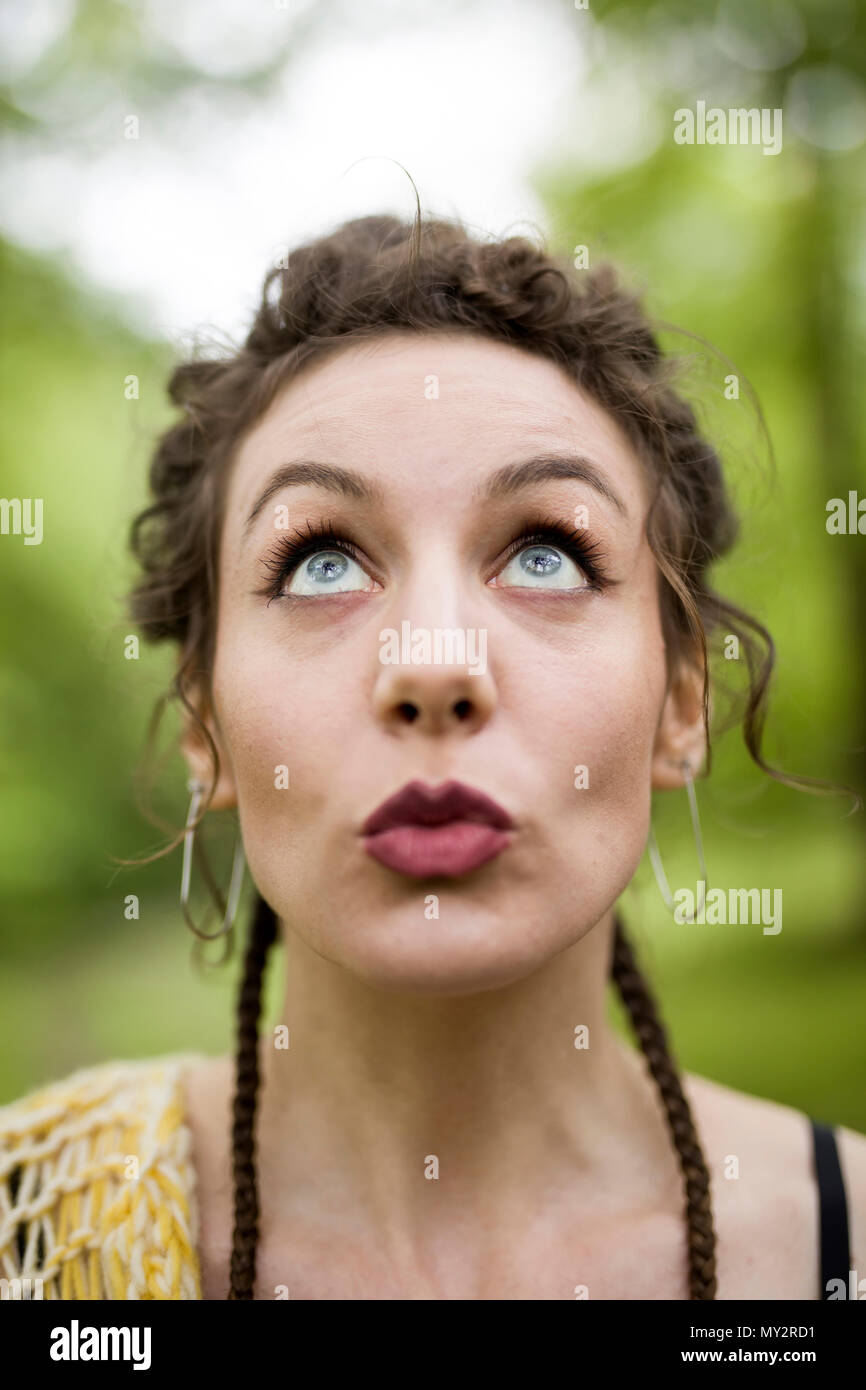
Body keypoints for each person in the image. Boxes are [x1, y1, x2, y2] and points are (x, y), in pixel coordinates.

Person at [1, 212, 863, 1301]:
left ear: (678, 704)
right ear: (203, 726)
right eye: (320, 562)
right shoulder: (30, 1235)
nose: (433, 665)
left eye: (546, 553)